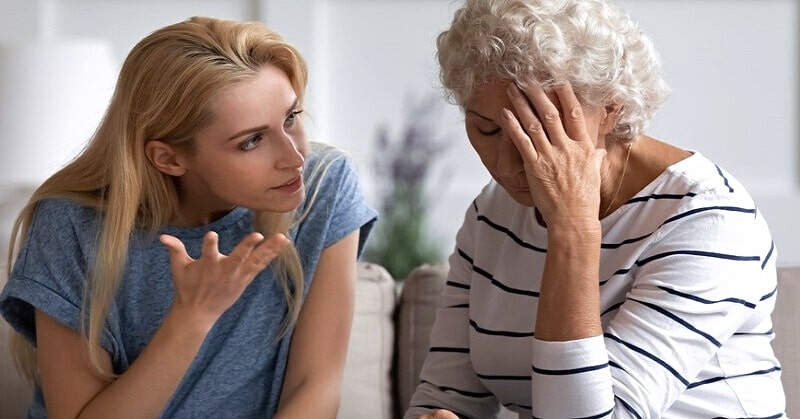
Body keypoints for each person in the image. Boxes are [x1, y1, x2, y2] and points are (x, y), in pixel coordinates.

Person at [405, 0, 785, 417]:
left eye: (543, 130)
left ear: (610, 108)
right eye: (487, 129)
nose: (506, 165)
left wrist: (572, 228)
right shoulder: (493, 212)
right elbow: (444, 398)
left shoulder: (709, 220)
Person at [0, 16, 377, 418]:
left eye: (290, 118)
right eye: (251, 141)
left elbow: (315, 387)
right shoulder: (70, 224)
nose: (295, 156)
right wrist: (192, 318)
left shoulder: (324, 185)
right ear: (169, 158)